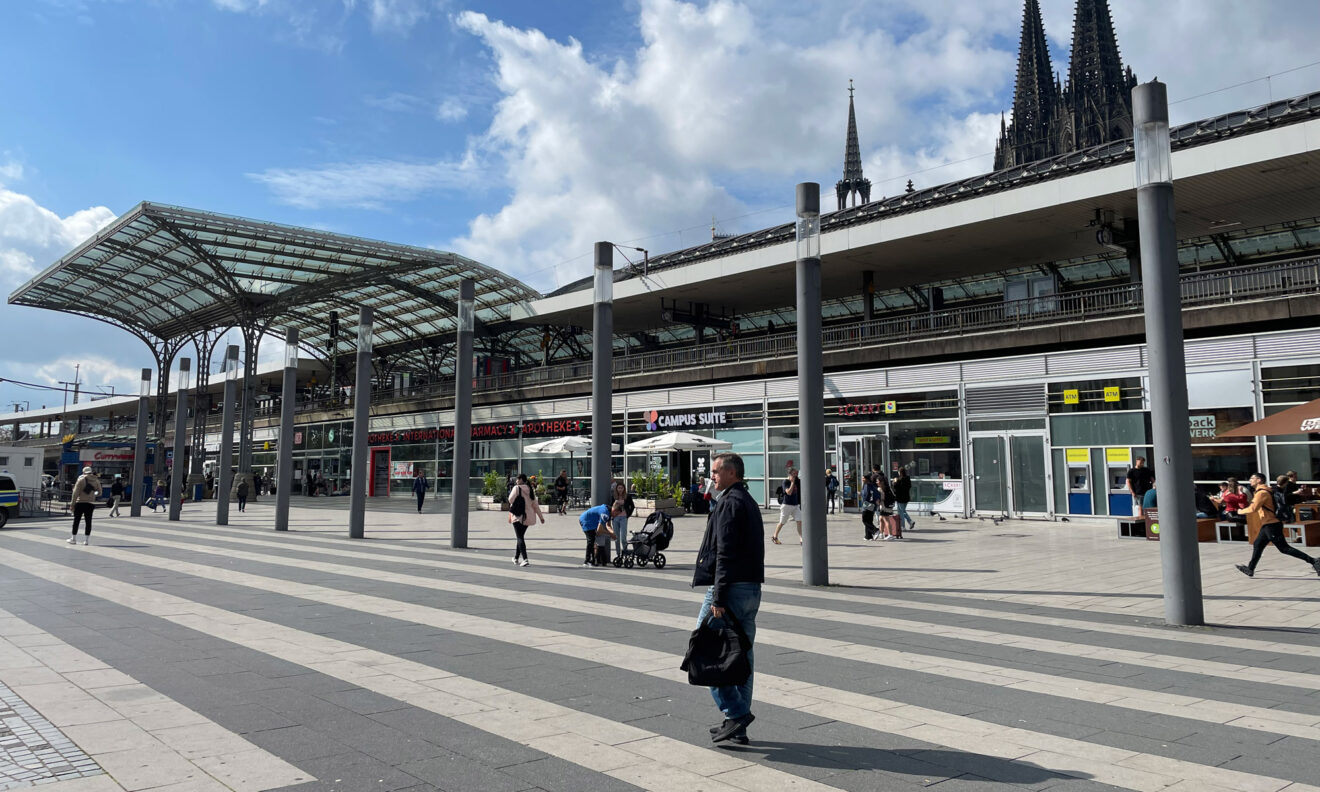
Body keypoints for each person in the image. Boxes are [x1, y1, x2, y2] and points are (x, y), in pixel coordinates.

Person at [693, 452, 764, 744]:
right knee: (741, 657)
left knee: (705, 651)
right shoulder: (748, 501)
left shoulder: (729, 504)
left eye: (716, 472)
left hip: (729, 590)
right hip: (750, 590)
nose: (712, 477)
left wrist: (718, 598)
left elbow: (725, 553)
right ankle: (738, 725)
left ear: (732, 473)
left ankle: (736, 713)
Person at [1236, 474, 1320, 578]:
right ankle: (1250, 568)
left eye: (1252, 478)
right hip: (1268, 524)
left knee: (1284, 548)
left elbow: (1253, 508)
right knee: (1258, 544)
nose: (1250, 480)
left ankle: (1314, 561)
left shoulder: (1261, 493)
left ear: (1259, 480)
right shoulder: (1268, 490)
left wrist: (1240, 511)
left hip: (1271, 524)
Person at [507, 473, 544, 567]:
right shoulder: (530, 490)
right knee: (520, 537)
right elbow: (535, 506)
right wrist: (541, 517)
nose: (516, 481)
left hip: (518, 516)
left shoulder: (516, 488)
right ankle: (515, 558)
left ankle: (525, 559)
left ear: (521, 480)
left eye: (517, 479)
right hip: (528, 517)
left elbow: (510, 500)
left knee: (520, 538)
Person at [578, 501, 622, 566]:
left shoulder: (609, 511)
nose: (616, 516)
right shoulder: (605, 513)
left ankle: (592, 561)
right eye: (617, 514)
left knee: (593, 540)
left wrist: (613, 533)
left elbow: (608, 525)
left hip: (591, 522)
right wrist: (610, 534)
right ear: (614, 510)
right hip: (586, 521)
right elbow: (599, 530)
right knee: (591, 540)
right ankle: (587, 561)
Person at [68, 466, 101, 546]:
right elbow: (100, 492)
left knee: (76, 521)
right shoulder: (96, 480)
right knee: (88, 522)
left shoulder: (80, 480)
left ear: (83, 472)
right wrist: (93, 494)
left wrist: (72, 504)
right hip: (90, 504)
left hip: (80, 503)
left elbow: (75, 494)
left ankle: (73, 539)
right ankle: (86, 540)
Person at [770, 467, 801, 544]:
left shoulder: (796, 480)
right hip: (787, 505)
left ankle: (801, 538)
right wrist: (792, 483)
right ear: (789, 474)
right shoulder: (785, 482)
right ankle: (775, 536)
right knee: (782, 522)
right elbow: (789, 492)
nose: (795, 476)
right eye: (793, 474)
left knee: (799, 521)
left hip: (795, 505)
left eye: (796, 474)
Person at [611, 481, 635, 557]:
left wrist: (628, 514)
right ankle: (618, 554)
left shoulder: (627, 496)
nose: (620, 489)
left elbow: (632, 506)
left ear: (624, 488)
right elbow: (610, 507)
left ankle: (625, 551)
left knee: (623, 537)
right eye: (618, 488)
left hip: (623, 518)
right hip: (615, 518)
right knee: (616, 537)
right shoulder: (613, 496)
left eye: (621, 488)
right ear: (616, 489)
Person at [876, 472, 901, 540]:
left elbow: (882, 498)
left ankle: (890, 534)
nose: (876, 482)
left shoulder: (881, 489)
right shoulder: (888, 488)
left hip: (884, 507)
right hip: (888, 506)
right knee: (881, 519)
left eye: (877, 481)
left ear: (881, 482)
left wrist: (878, 501)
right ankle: (881, 533)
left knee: (886, 519)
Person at [892, 467, 915, 532]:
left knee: (901, 512)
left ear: (900, 472)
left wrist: (894, 482)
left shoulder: (899, 480)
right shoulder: (907, 479)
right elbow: (908, 487)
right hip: (906, 497)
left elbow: (896, 488)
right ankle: (910, 521)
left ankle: (903, 526)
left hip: (900, 498)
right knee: (903, 510)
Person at [860, 472, 881, 541]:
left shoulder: (866, 485)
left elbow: (866, 496)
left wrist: (861, 496)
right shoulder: (872, 485)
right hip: (872, 504)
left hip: (867, 504)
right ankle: (868, 536)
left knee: (865, 520)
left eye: (863, 478)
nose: (862, 479)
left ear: (867, 479)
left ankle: (875, 530)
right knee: (869, 520)